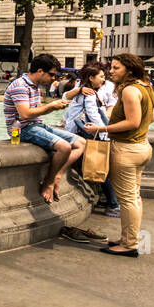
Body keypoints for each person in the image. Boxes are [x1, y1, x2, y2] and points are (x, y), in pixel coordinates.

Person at [82, 53, 154, 257]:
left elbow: (132, 122)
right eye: (111, 67)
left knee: (128, 199)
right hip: (142, 147)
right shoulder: (146, 87)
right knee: (134, 197)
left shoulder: (130, 91)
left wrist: (101, 127)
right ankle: (127, 239)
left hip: (126, 149)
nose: (111, 72)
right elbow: (151, 118)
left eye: (116, 68)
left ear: (129, 70)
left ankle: (130, 244)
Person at [2, 53, 83, 204]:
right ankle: (48, 182)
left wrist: (53, 106)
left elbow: (36, 110)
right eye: (52, 74)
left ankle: (57, 175)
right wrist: (51, 107)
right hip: (22, 129)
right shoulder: (20, 86)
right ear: (40, 71)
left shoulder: (35, 87)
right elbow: (25, 114)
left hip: (37, 125)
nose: (54, 78)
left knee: (81, 143)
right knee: (64, 147)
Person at [63, 63, 121, 221]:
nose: (103, 80)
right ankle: (112, 203)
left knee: (99, 168)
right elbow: (93, 114)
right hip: (87, 134)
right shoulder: (88, 93)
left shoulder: (89, 91)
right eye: (101, 76)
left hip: (82, 134)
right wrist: (104, 132)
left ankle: (112, 202)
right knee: (101, 168)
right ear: (91, 78)